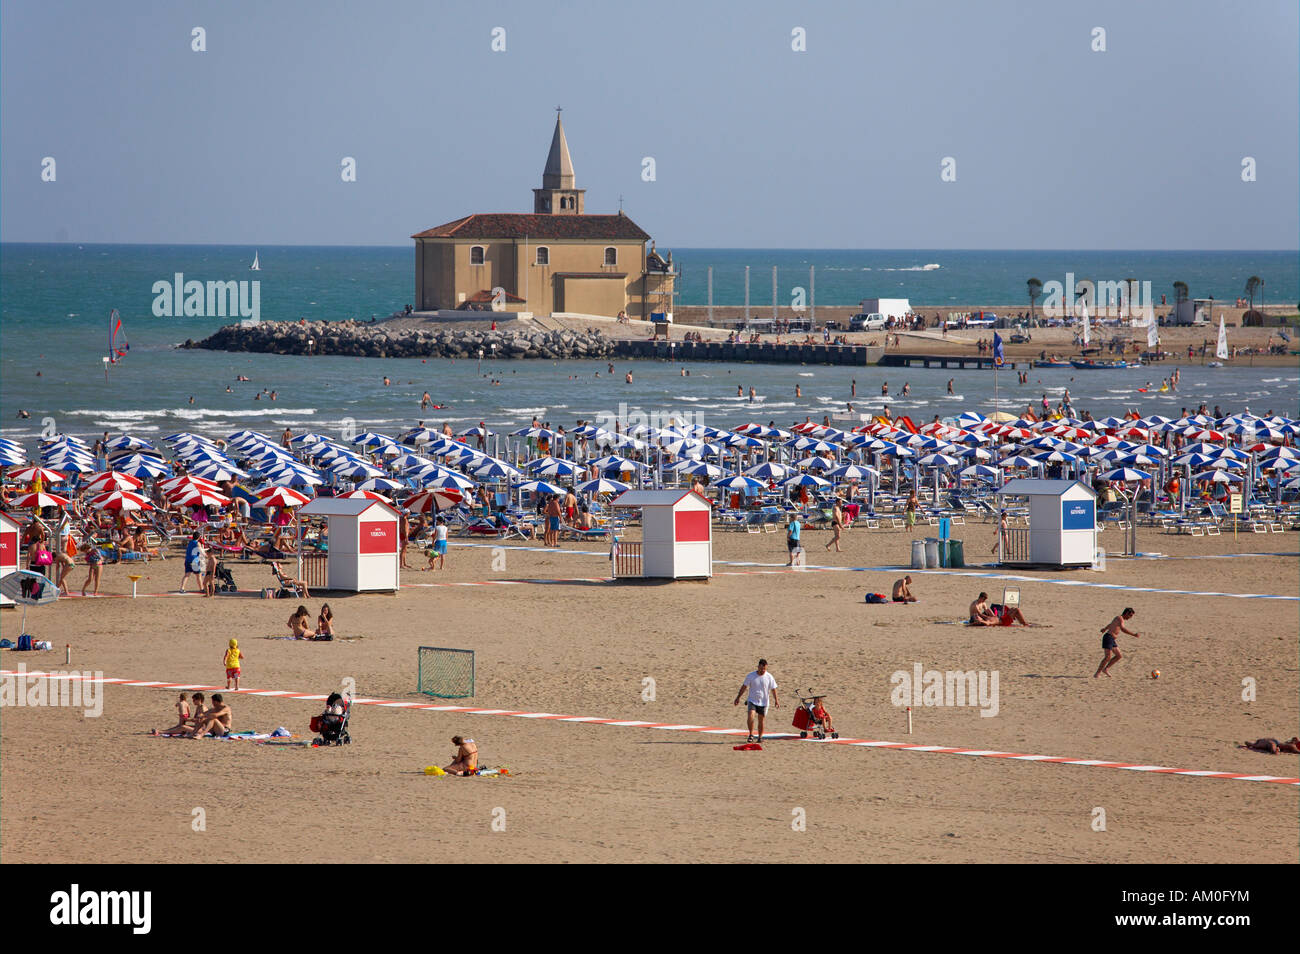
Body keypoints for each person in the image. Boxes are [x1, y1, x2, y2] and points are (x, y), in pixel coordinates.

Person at [733, 659, 779, 744]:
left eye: (764, 669)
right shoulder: (751, 676)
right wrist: (738, 697)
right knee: (751, 716)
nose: (763, 671)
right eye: (761, 669)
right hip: (752, 700)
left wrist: (776, 700)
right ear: (758, 667)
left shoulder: (769, 677)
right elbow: (744, 687)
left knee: (761, 720)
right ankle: (751, 734)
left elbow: (773, 689)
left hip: (764, 702)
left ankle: (760, 737)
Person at [1095, 608, 1140, 678]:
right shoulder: (1120, 618)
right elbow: (1122, 629)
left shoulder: (1118, 618)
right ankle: (1097, 673)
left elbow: (1111, 624)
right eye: (1130, 615)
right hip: (1108, 638)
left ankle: (1106, 669)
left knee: (1119, 656)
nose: (1130, 617)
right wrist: (1133, 634)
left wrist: (1104, 628)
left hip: (1111, 639)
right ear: (1126, 613)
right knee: (1107, 657)